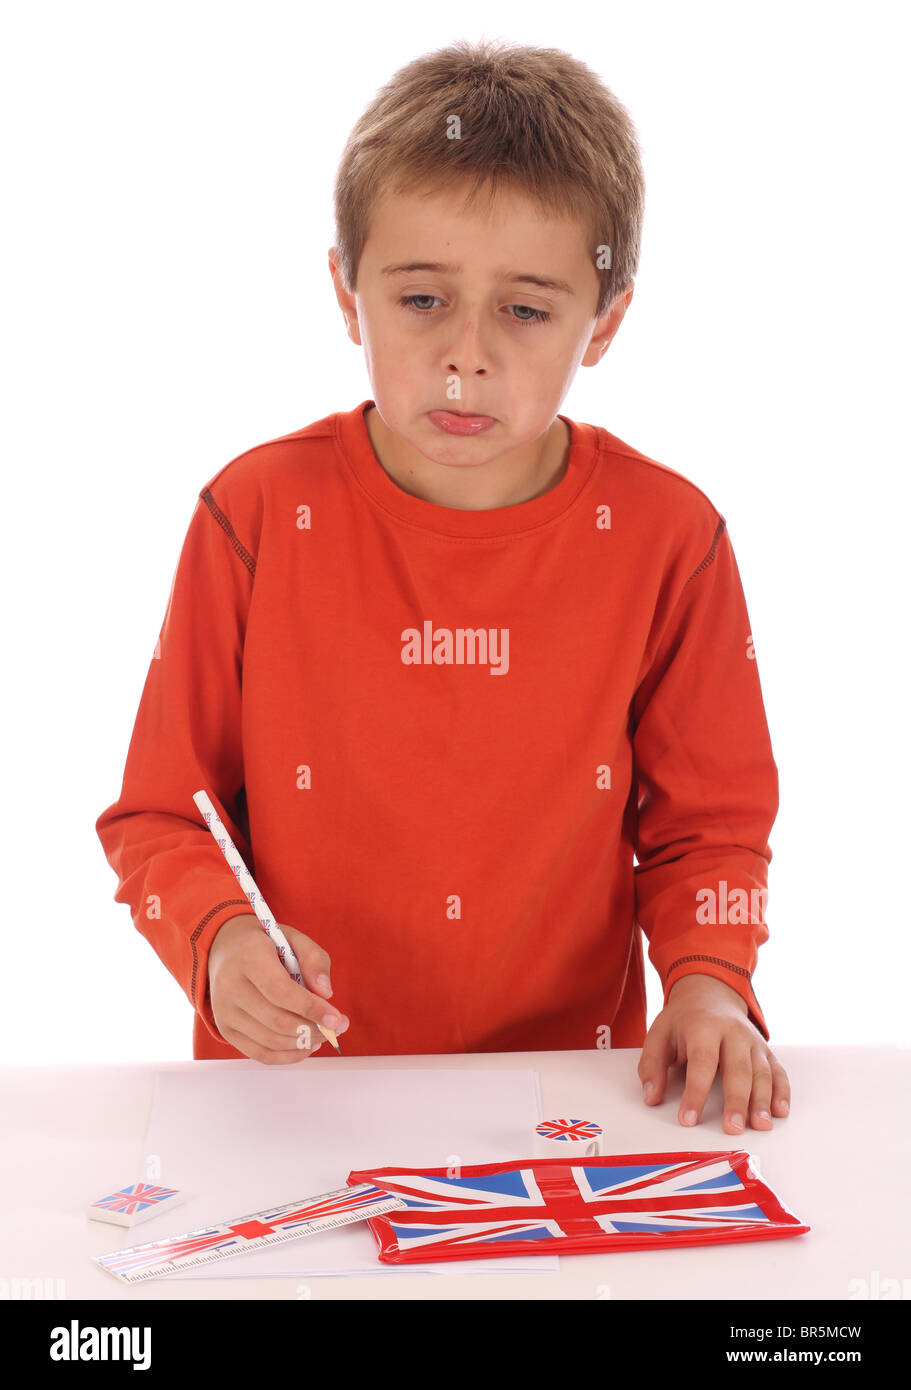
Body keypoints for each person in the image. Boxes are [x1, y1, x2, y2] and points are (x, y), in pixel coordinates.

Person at [96, 38, 790, 1135]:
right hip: (290, 1105)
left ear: (603, 320)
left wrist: (708, 982)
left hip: (575, 1102)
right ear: (345, 290)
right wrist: (219, 937)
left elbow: (707, 826)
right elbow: (157, 813)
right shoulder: (254, 513)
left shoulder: (669, 537)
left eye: (524, 311)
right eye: (421, 298)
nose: (465, 358)